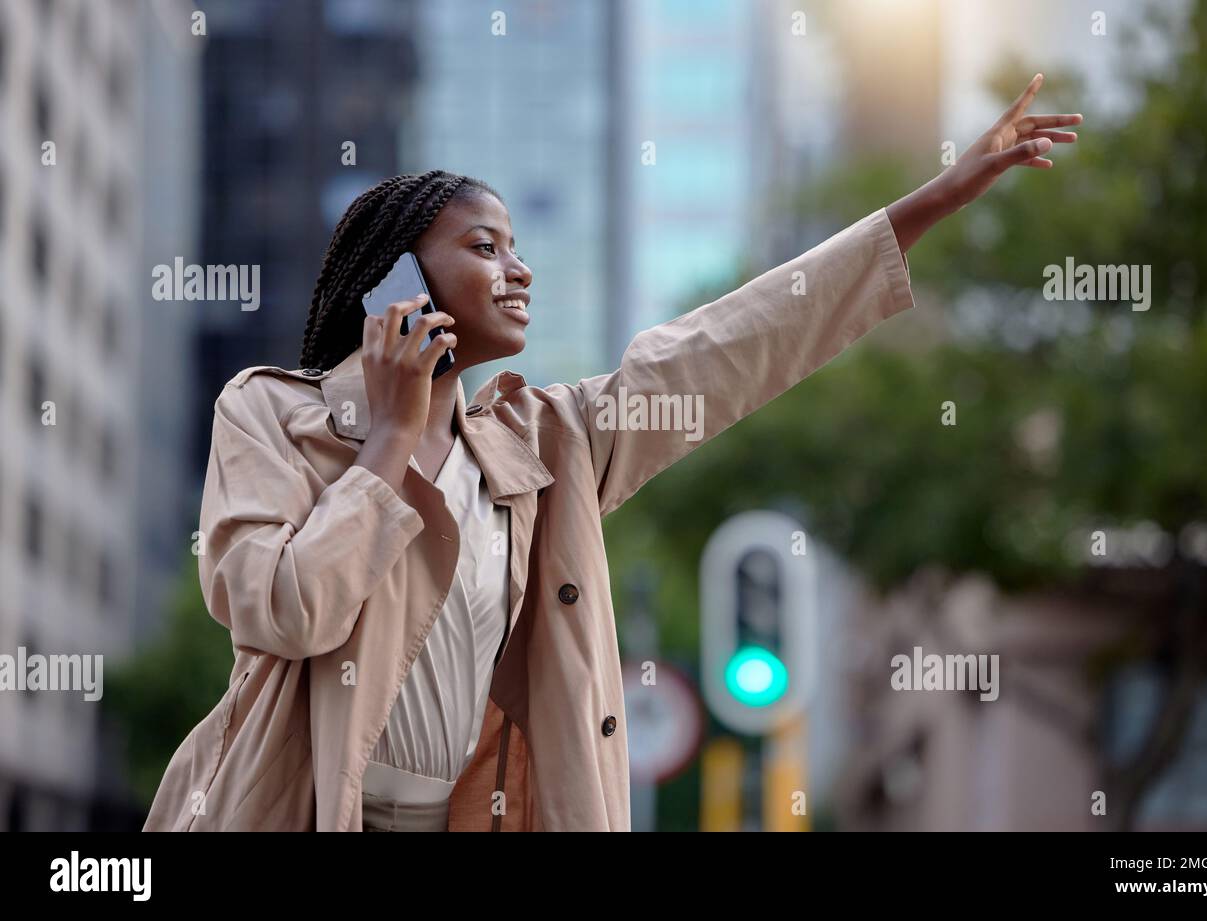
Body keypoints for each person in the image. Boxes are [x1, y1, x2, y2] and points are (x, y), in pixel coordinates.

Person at [144, 75, 1080, 832]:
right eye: (485, 246)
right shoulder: (272, 413)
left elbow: (729, 348)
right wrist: (388, 440)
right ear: (399, 280)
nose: (521, 270)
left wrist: (933, 200)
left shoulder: (546, 444)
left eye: (517, 246)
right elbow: (282, 609)